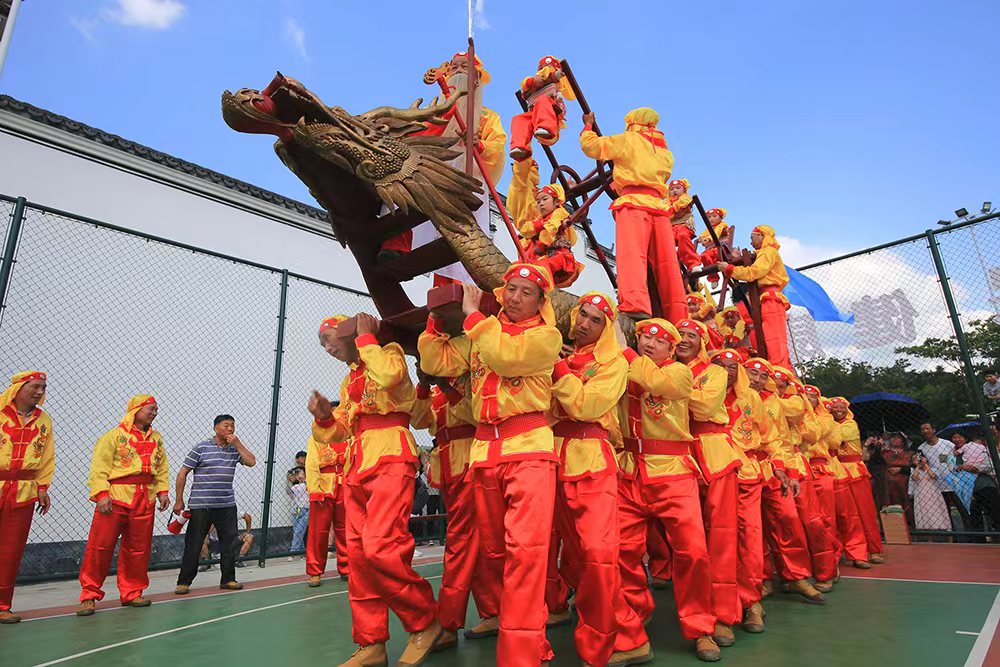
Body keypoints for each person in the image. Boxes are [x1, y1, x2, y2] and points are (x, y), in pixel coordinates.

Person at [420, 263, 562, 666]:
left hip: (529, 450)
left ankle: (520, 655)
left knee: (526, 554)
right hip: (485, 454)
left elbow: (504, 358)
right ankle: (532, 641)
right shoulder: (483, 331)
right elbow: (438, 362)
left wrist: (474, 318)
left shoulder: (545, 337)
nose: (514, 297)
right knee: (497, 553)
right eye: (510, 289)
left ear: (540, 302)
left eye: (525, 292)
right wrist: (434, 320)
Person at [309, 313, 440, 667]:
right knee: (358, 559)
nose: (327, 346)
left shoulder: (389, 353)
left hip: (391, 456)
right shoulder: (348, 380)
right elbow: (340, 430)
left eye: (329, 337)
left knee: (381, 547)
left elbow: (391, 377)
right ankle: (371, 644)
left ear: (351, 331)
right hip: (357, 464)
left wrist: (368, 337)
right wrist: (324, 417)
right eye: (322, 343)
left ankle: (425, 620)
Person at [548, 292, 651, 666]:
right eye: (583, 315)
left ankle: (620, 637)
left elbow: (587, 406)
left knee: (598, 553)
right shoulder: (557, 356)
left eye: (595, 320)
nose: (585, 324)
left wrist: (557, 371)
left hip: (592, 458)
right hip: (555, 459)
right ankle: (618, 631)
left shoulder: (611, 364)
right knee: (576, 556)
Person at [615, 317, 720, 662]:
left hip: (673, 473)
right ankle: (632, 621)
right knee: (619, 552)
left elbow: (657, 383)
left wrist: (627, 352)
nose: (648, 343)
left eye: (658, 341)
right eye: (644, 336)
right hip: (630, 472)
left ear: (672, 349)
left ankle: (701, 627)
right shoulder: (625, 367)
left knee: (692, 552)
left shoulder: (679, 373)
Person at [383, 51, 506, 287]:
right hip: (430, 169)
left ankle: (455, 291)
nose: (458, 70)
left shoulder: (488, 116)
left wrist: (477, 143)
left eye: (465, 67)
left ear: (477, 77)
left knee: (457, 243)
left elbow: (496, 149)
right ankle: (395, 247)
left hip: (465, 179)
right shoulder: (434, 110)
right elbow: (416, 134)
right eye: (455, 67)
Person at [410, 370, 498, 648]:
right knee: (476, 542)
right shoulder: (435, 387)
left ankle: (447, 622)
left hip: (471, 459)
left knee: (460, 543)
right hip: (448, 463)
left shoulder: (474, 377)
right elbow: (419, 419)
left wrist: (448, 388)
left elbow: (479, 415)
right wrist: (424, 386)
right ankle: (494, 611)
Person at [673, 319, 745, 646]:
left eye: (692, 336)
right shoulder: (663, 368)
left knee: (722, 538)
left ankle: (724, 614)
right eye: (681, 335)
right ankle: (697, 616)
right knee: (690, 545)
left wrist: (665, 383)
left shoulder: (714, 372)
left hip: (714, 454)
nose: (685, 340)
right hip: (674, 458)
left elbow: (704, 406)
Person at [580, 108, 685, 322]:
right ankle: (678, 315)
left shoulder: (629, 140)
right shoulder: (665, 153)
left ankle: (635, 304)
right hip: (659, 207)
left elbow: (592, 147)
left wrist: (588, 126)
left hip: (633, 203)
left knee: (632, 256)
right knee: (668, 264)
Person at [77, 395, 170, 616]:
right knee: (100, 546)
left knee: (139, 549)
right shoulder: (114, 436)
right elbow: (99, 468)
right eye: (150, 408)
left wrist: (162, 491)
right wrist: (101, 494)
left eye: (156, 409)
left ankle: (132, 592)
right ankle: (89, 595)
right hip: (116, 497)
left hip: (144, 498)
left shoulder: (157, 438)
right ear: (135, 410)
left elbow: (162, 466)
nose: (154, 413)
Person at [745, 359, 823, 599]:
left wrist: (789, 471)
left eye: (762, 376)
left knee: (788, 518)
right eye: (752, 374)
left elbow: (781, 440)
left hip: (772, 468)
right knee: (751, 528)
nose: (757, 380)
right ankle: (761, 579)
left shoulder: (774, 402)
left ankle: (796, 575)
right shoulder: (735, 397)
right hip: (745, 467)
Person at [712, 351, 767, 633]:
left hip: (746, 473)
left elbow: (770, 436)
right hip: (710, 471)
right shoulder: (701, 390)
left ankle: (751, 602)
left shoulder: (752, 399)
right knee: (718, 542)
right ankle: (723, 609)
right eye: (720, 365)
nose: (727, 371)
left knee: (749, 538)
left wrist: (780, 466)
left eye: (733, 367)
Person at [771, 369, 837, 594]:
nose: (774, 385)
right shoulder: (760, 399)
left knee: (812, 522)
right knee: (784, 523)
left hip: (797, 464)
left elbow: (811, 432)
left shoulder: (795, 403)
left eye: (780, 383)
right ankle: (789, 574)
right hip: (772, 465)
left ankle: (826, 571)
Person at [174, 414, 256, 594]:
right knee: (194, 544)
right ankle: (184, 581)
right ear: (216, 428)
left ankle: (228, 579)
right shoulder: (201, 448)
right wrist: (179, 500)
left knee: (229, 543)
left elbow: (251, 461)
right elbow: (183, 473)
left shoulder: (235, 450)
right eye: (226, 425)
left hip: (226, 504)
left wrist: (238, 444)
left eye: (232, 426)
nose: (230, 429)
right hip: (201, 505)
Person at [0, 371, 54, 624]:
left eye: (43, 388)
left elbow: (46, 457)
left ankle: (2, 606)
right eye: (35, 386)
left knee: (11, 550)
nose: (40, 392)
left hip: (23, 491)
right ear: (19, 387)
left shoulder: (44, 420)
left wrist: (42, 487)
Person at [719, 225, 792, 369]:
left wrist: (730, 269)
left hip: (772, 298)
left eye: (753, 238)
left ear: (762, 236)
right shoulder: (763, 253)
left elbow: (755, 272)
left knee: (774, 338)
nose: (751, 243)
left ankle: (778, 370)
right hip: (766, 297)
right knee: (767, 337)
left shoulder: (768, 251)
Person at [507, 159, 583, 288]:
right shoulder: (538, 212)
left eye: (544, 199)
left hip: (556, 254)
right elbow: (526, 229)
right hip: (537, 251)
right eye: (538, 201)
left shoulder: (558, 213)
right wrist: (540, 225)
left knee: (542, 267)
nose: (540, 203)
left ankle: (542, 289)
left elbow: (548, 235)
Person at [831, 398, 885, 563]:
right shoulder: (829, 424)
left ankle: (874, 549)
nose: (838, 410)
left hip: (854, 470)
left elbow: (835, 439)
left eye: (841, 407)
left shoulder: (850, 425)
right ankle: (848, 550)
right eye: (834, 407)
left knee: (865, 511)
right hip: (836, 469)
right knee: (843, 513)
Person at [509, 55, 575, 161]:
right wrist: (533, 83)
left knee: (542, 101)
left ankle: (545, 127)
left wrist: (556, 75)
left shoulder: (556, 83)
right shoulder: (533, 83)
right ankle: (519, 146)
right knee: (519, 119)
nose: (544, 70)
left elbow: (558, 78)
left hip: (551, 125)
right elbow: (525, 88)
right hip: (535, 120)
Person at [304, 434, 349, 585]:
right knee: (318, 531)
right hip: (323, 487)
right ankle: (315, 571)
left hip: (347, 485)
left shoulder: (350, 434)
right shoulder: (317, 437)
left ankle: (347, 568)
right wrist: (314, 489)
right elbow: (311, 464)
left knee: (347, 530)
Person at [953, 433, 1000, 533]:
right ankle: (978, 539)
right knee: (974, 517)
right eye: (954, 437)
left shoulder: (979, 448)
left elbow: (990, 465)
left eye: (959, 437)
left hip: (984, 484)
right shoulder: (954, 454)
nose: (957, 439)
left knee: (994, 513)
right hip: (967, 489)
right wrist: (961, 468)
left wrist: (973, 468)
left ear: (966, 439)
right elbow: (952, 470)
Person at [667, 178, 700, 272]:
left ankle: (693, 263)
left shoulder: (685, 198)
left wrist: (671, 209)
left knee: (683, 236)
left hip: (684, 225)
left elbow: (683, 203)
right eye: (672, 189)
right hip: (671, 228)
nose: (674, 190)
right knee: (665, 240)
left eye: (678, 188)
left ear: (684, 190)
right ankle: (668, 265)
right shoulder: (666, 202)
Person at [882, 432, 913, 517]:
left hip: (904, 482)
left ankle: (908, 520)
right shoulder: (884, 453)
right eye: (893, 437)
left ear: (903, 442)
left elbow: (914, 468)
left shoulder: (910, 454)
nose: (895, 439)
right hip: (888, 482)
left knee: (905, 501)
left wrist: (901, 470)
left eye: (898, 438)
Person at [288, 468, 310, 557]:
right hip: (297, 510)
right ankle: (303, 554)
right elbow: (289, 493)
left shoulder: (308, 483)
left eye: (299, 473)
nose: (298, 475)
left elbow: (310, 488)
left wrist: (304, 479)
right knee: (297, 531)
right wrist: (289, 480)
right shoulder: (295, 486)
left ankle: (292, 552)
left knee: (299, 531)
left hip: (307, 509)